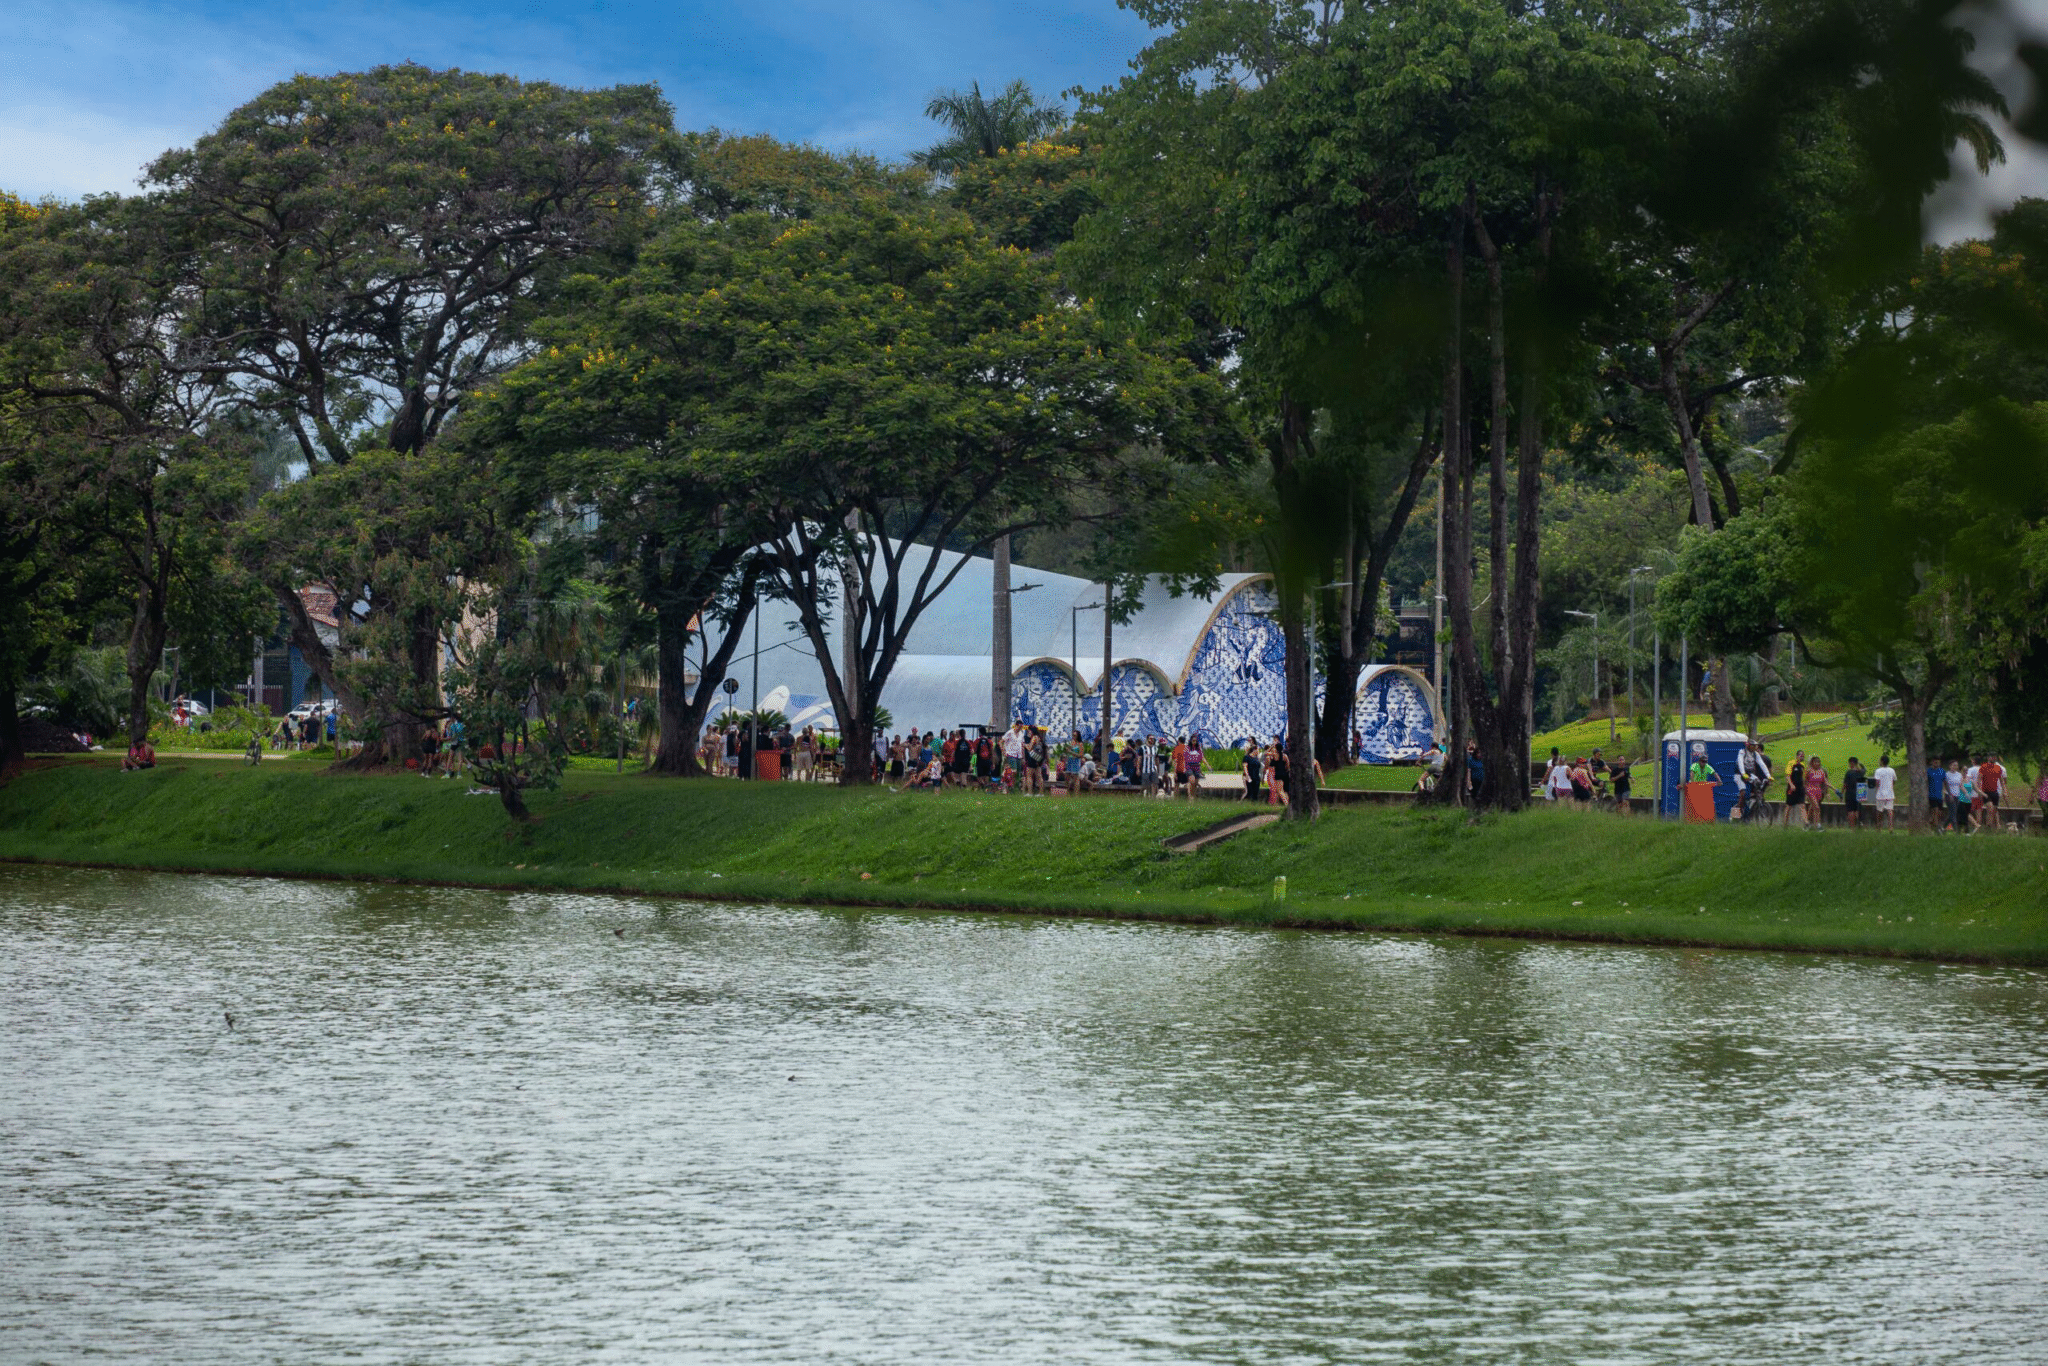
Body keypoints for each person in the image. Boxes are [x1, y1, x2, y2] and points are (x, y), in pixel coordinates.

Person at [1980, 752, 2006, 832]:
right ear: (1988, 758)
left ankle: (1990, 827)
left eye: (1994, 757)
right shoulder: (1984, 767)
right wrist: (1980, 791)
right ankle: (1988, 827)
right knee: (1990, 809)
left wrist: (2004, 791)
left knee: (1994, 811)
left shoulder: (1998, 768)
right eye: (1991, 757)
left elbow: (2001, 781)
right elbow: (1979, 779)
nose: (1993, 758)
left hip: (1995, 791)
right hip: (1986, 792)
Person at [1871, 753, 1898, 832]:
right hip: (1890, 793)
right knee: (1890, 810)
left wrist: (1876, 789)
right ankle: (1890, 827)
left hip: (1880, 793)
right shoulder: (1892, 770)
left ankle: (1879, 827)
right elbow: (1894, 780)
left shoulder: (1878, 771)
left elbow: (1877, 782)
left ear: (1882, 762)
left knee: (1879, 811)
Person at [1803, 755, 1828, 829]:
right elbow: (1804, 782)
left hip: (1818, 791)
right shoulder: (1808, 771)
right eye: (1815, 762)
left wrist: (1832, 790)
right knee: (1817, 808)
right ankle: (1817, 825)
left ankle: (1807, 824)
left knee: (1812, 807)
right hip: (1810, 791)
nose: (1817, 763)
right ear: (1812, 763)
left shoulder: (1822, 771)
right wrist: (1805, 792)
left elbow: (1826, 782)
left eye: (1818, 762)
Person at [1783, 751, 1807, 828]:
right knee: (1788, 806)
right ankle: (1785, 824)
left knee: (1802, 805)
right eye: (1801, 755)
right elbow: (1787, 776)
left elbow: (1803, 777)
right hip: (1792, 788)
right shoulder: (1791, 763)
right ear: (1797, 756)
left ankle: (1806, 823)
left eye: (1803, 756)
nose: (1802, 757)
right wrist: (1791, 785)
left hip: (1800, 788)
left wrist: (1804, 787)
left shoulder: (1803, 765)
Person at [1842, 757, 1866, 830]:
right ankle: (1859, 825)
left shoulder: (1849, 773)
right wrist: (1859, 764)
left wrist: (1842, 793)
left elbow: (1845, 785)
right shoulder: (1861, 772)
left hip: (1850, 794)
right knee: (1857, 810)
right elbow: (1864, 768)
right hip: (1859, 793)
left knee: (1851, 811)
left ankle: (1852, 828)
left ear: (1851, 763)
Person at [1944, 759, 1964, 832]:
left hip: (1957, 795)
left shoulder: (1959, 775)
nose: (1955, 767)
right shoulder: (1946, 774)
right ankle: (1956, 830)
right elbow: (1944, 787)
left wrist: (1965, 793)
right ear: (1950, 766)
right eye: (1954, 765)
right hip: (1949, 795)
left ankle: (1942, 828)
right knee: (1953, 813)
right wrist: (1949, 795)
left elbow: (1960, 786)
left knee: (1953, 813)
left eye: (1957, 765)